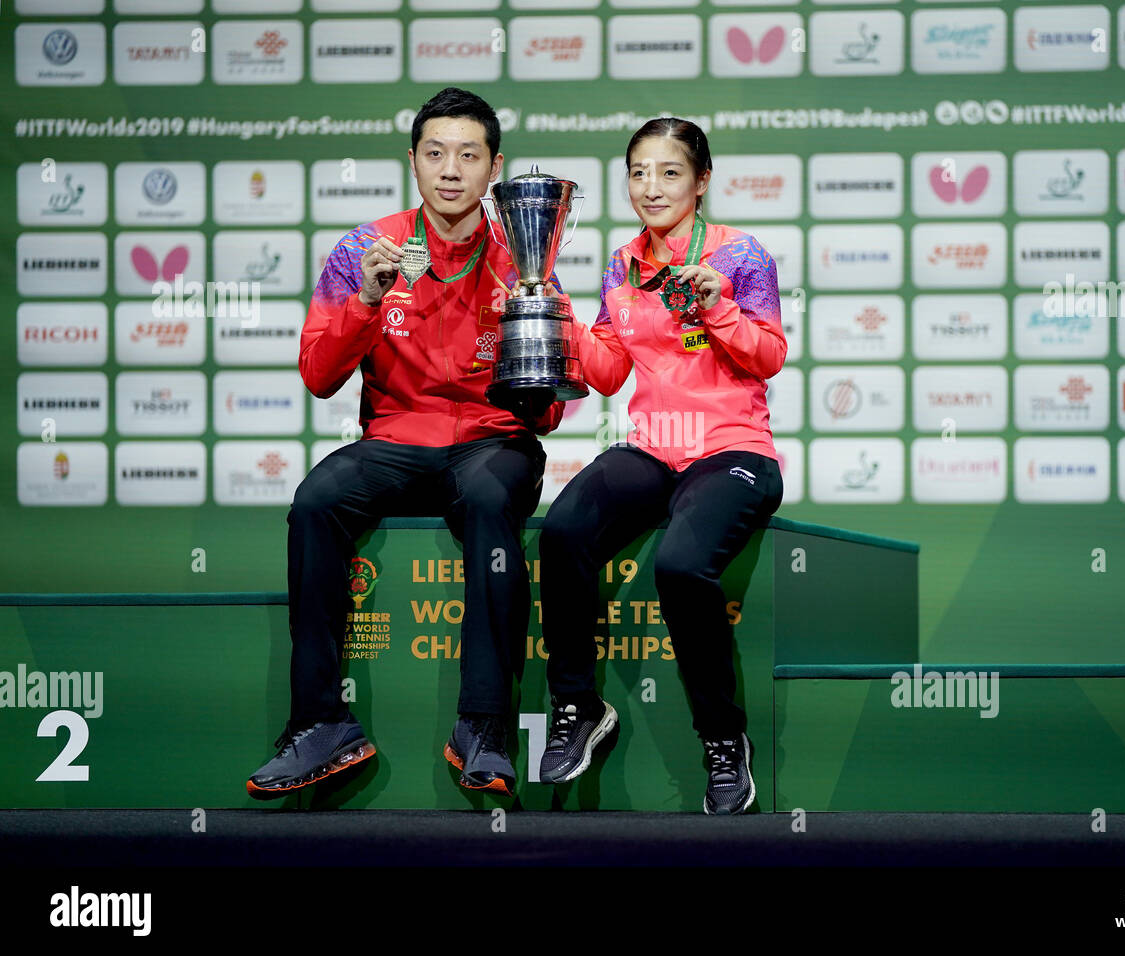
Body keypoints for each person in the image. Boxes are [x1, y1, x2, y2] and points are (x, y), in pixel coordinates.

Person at [246, 87, 565, 801]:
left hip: (490, 442)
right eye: (435, 153)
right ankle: (322, 724)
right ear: (412, 162)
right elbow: (318, 375)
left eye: (469, 155)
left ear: (494, 168)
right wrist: (363, 300)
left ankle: (483, 725)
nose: (451, 169)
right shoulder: (365, 249)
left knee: (489, 497)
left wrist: (529, 350)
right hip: (395, 439)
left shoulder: (525, 252)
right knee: (315, 501)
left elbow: (545, 417)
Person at [537, 118, 786, 814]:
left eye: (670, 172)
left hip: (732, 448)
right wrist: (564, 325)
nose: (652, 187)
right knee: (563, 530)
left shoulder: (741, 256)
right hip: (653, 447)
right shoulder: (623, 262)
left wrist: (721, 308)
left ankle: (723, 740)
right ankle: (579, 707)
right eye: (639, 172)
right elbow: (611, 372)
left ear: (702, 181)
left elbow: (767, 356)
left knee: (679, 566)